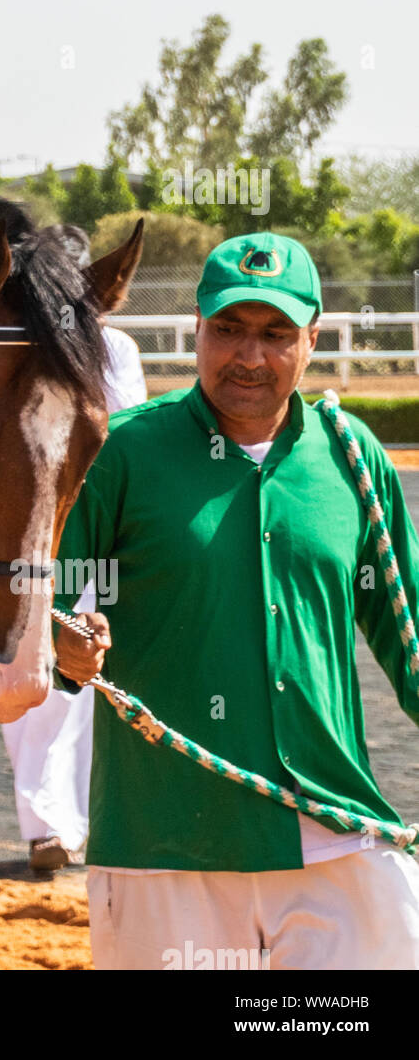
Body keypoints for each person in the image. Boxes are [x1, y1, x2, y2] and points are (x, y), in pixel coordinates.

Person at [53, 231, 419, 969]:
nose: (249, 356)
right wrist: (63, 649)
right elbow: (29, 612)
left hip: (335, 836)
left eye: (276, 334)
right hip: (161, 851)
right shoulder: (118, 454)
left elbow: (410, 642)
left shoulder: (353, 458)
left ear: (313, 338)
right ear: (198, 327)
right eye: (228, 329)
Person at [0, 225, 148, 874]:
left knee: (93, 676)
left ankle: (84, 822)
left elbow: (127, 434)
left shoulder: (113, 347)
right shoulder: (9, 343)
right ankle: (49, 829)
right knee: (40, 688)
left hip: (98, 532)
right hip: (30, 535)